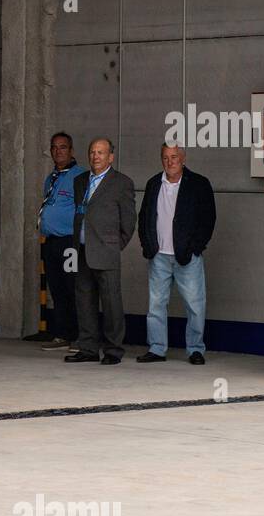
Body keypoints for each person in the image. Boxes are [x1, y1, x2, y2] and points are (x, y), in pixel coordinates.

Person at [137, 144, 216, 365]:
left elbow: (208, 219)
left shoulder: (199, 184)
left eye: (174, 157)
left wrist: (196, 247)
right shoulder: (154, 183)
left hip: (187, 256)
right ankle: (156, 348)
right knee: (155, 305)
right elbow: (144, 217)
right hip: (159, 255)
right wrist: (147, 246)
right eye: (165, 157)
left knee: (194, 304)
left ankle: (195, 349)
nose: (170, 162)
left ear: (183, 158)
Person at [66, 137, 136, 365]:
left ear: (111, 157)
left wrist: (114, 245)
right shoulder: (79, 181)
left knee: (111, 303)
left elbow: (128, 221)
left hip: (106, 251)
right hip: (82, 249)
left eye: (101, 152)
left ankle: (113, 350)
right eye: (93, 152)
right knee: (83, 301)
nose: (96, 156)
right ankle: (87, 348)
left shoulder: (121, 182)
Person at [38, 132, 85, 351]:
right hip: (51, 242)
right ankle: (62, 334)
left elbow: (83, 210)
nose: (58, 151)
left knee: (72, 287)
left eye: (63, 147)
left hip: (69, 242)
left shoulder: (80, 176)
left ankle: (78, 336)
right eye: (54, 147)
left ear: (71, 150)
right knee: (56, 288)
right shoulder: (51, 178)